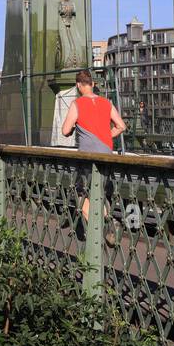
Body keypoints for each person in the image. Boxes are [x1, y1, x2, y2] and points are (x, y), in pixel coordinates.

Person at [60, 70, 126, 243]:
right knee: (101, 192)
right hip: (106, 155)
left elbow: (65, 130)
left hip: (88, 158)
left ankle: (101, 227)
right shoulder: (106, 102)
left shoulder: (77, 104)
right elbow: (121, 126)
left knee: (82, 194)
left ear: (78, 85)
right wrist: (105, 136)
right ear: (93, 84)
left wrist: (76, 127)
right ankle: (109, 220)